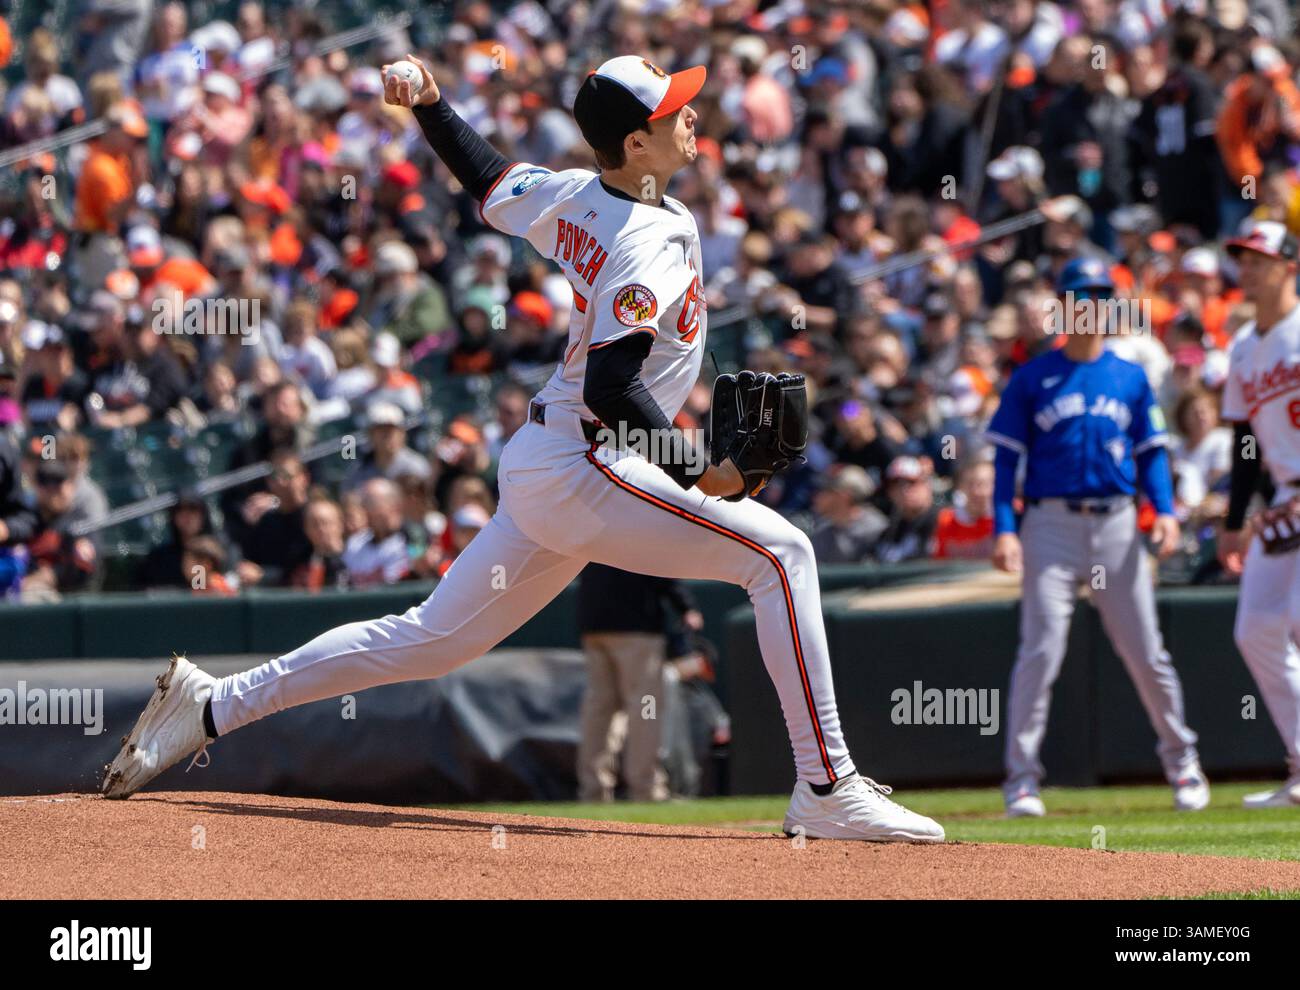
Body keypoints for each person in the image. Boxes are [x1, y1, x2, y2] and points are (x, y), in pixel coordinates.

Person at [99, 53, 944, 844]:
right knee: (782, 554)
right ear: (638, 140)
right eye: (674, 110)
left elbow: (491, 176)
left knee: (432, 639)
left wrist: (432, 104)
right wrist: (699, 466)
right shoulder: (641, 238)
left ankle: (211, 705)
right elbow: (615, 388)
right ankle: (828, 786)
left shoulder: (581, 193)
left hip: (554, 461)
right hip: (588, 462)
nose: (693, 117)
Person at [987, 256, 1207, 817]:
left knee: (1146, 652)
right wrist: (1005, 528)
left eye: (1101, 296)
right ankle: (1022, 781)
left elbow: (1152, 453)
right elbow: (1005, 463)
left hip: (1115, 523)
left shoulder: (1130, 377)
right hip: (1050, 525)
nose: (1092, 305)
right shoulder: (1033, 377)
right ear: (1062, 307)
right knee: (1039, 651)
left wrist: (1165, 510)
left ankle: (1183, 767)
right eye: (1080, 296)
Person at [1215, 221, 1300, 808]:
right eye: (1240, 260)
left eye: (1257, 260)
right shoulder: (1244, 345)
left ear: (1288, 265)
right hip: (1283, 500)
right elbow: (1245, 441)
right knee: (1257, 628)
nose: (1246, 270)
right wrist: (1232, 519)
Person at [575, 563, 700, 802]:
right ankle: (646, 788)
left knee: (599, 710)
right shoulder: (643, 526)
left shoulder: (595, 525)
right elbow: (658, 565)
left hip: (593, 622)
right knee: (645, 708)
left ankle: (593, 791)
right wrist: (686, 606)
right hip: (636, 626)